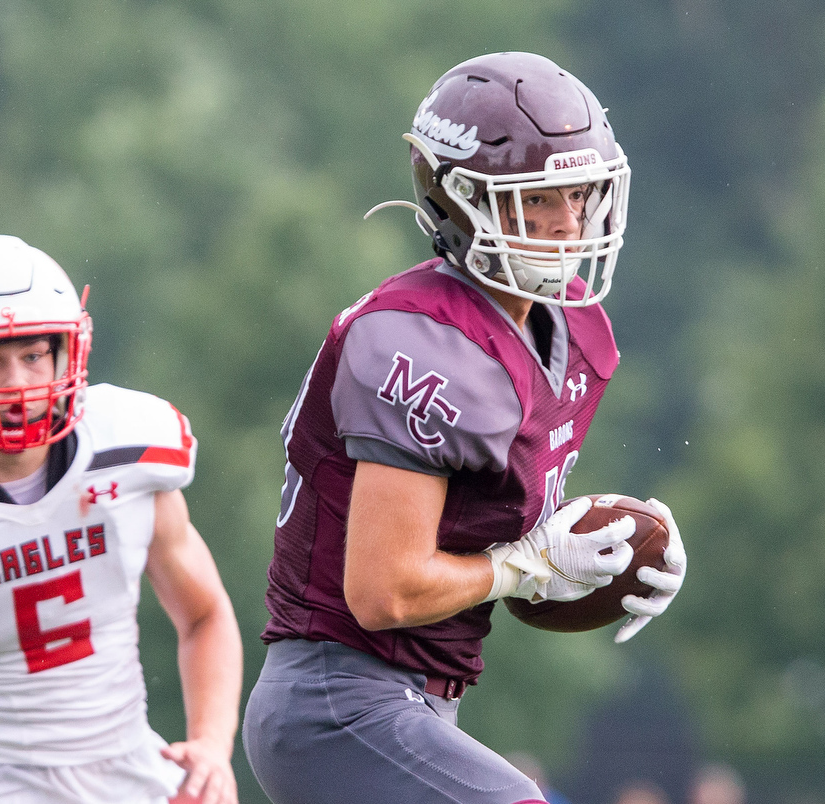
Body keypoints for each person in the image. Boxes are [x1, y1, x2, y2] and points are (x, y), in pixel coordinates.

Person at [242, 51, 687, 804]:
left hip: (418, 707)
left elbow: (507, 550)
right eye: (537, 199)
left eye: (580, 192)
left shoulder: (575, 333)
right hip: (338, 704)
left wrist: (611, 552)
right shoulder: (422, 341)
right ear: (460, 201)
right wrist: (526, 566)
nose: (569, 220)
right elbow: (384, 590)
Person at [0, 234, 243, 804]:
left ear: (67, 352)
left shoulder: (125, 449)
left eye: (33, 355)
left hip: (128, 768)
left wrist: (211, 747)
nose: (17, 384)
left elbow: (205, 615)